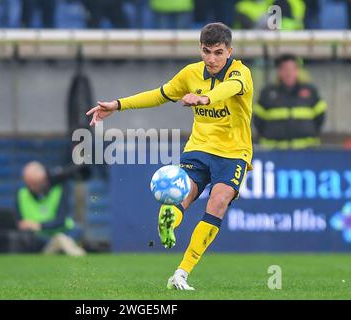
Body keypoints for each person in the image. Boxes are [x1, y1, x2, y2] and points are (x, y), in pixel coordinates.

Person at [86, 23, 254, 290]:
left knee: (218, 200)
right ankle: (171, 225)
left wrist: (204, 99)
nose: (211, 59)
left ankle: (181, 272)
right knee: (183, 197)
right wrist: (117, 105)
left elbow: (229, 89)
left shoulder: (241, 73)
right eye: (206, 51)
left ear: (229, 51)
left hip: (233, 153)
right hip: (199, 148)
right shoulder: (190, 73)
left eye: (218, 53)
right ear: (200, 49)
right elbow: (159, 95)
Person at [254, 54, 327, 149]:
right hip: (274, 151)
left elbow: (320, 118)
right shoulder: (267, 93)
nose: (289, 73)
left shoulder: (311, 91)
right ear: (279, 72)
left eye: (292, 69)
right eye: (285, 69)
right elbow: (258, 121)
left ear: (298, 71)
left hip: (307, 151)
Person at [16, 161, 87, 256]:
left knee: (76, 230)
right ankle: (58, 245)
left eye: (35, 183)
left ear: (44, 179)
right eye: (29, 184)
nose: (32, 187)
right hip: (39, 236)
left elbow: (60, 220)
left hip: (62, 230)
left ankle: (56, 245)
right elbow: (17, 221)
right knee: (28, 239)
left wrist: (38, 225)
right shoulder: (21, 194)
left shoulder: (59, 190)